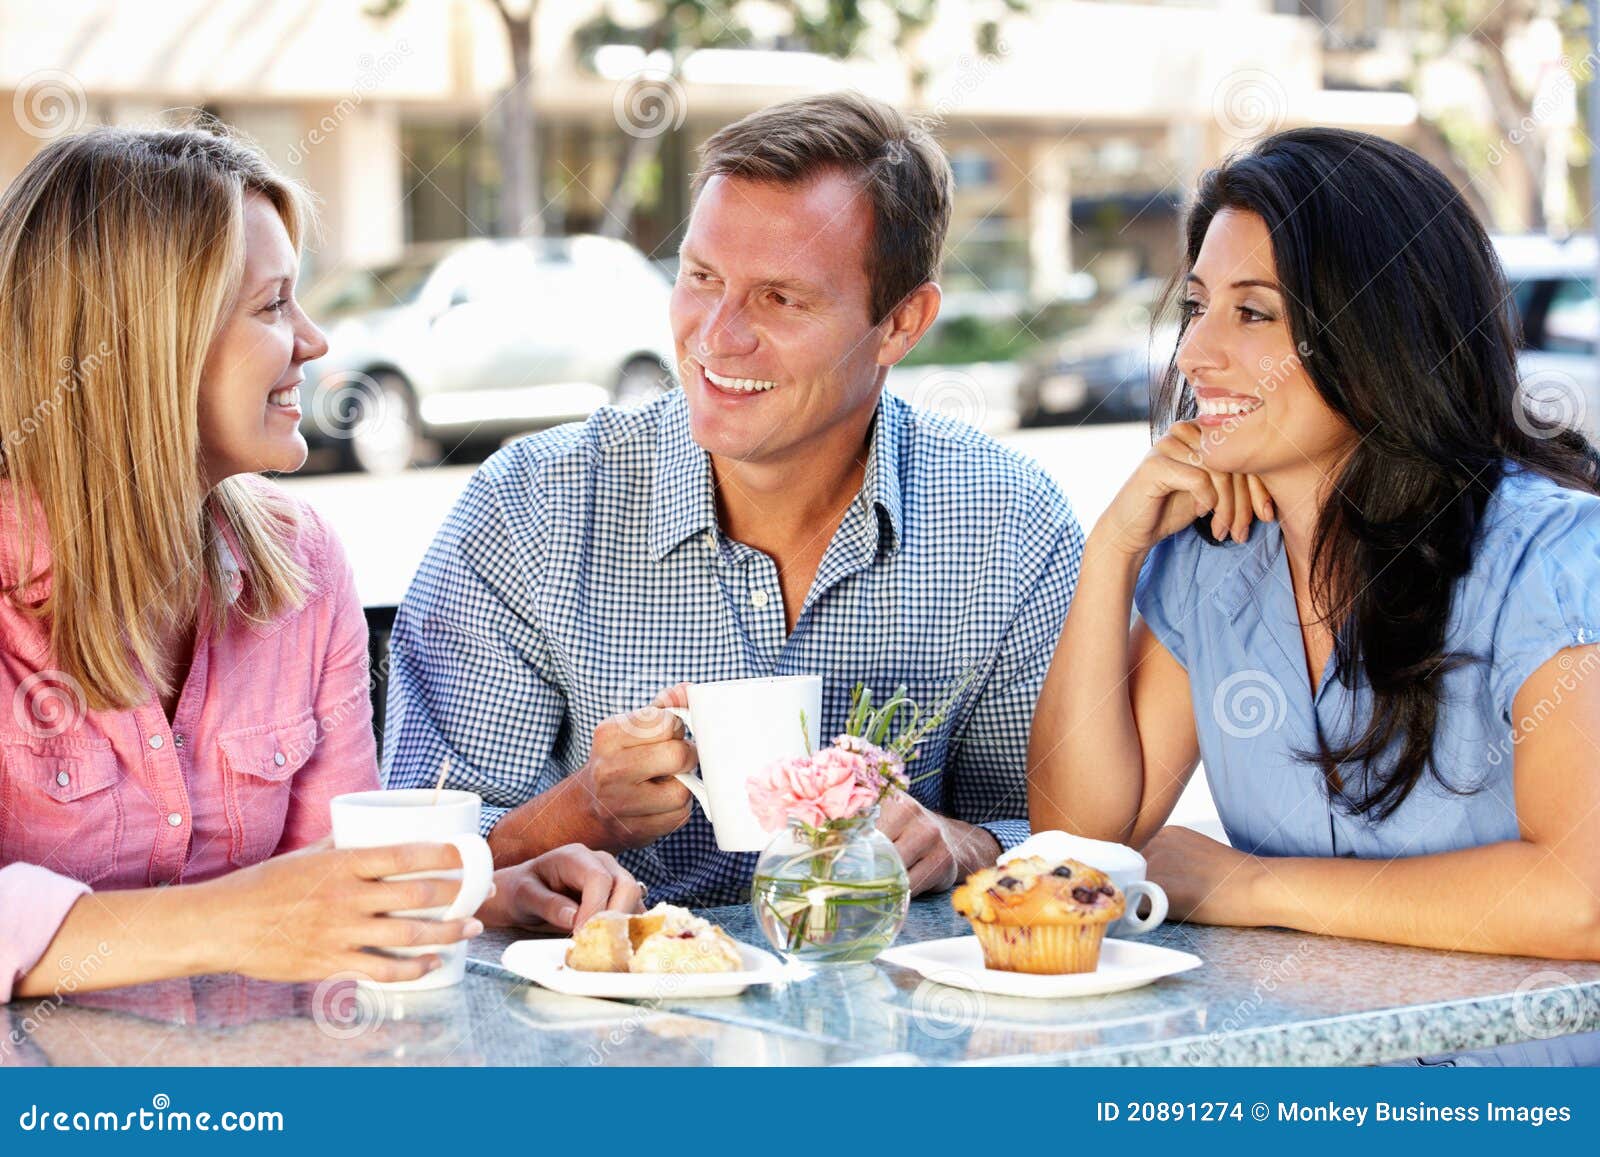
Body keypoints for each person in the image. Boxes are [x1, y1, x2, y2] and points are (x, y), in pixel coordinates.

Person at [384, 92, 1084, 905]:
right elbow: (413, 858)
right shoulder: (529, 508)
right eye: (701, 277)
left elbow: (1074, 835)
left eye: (780, 298)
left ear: (902, 323)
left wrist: (965, 845)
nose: (717, 336)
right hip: (610, 985)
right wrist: (585, 810)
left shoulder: (1010, 524)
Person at [0, 125, 641, 1003]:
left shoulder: (300, 562)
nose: (313, 340)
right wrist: (234, 920)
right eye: (272, 307)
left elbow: (327, 882)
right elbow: (275, 913)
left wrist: (482, 890)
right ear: (149, 341)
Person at [1027, 127, 1600, 1063]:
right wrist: (1112, 551)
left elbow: (1582, 898)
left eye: (1253, 314)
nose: (1195, 353)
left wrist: (1250, 885)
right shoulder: (1210, 563)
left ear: (1380, 335)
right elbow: (1078, 845)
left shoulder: (1553, 554)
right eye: (1197, 307)